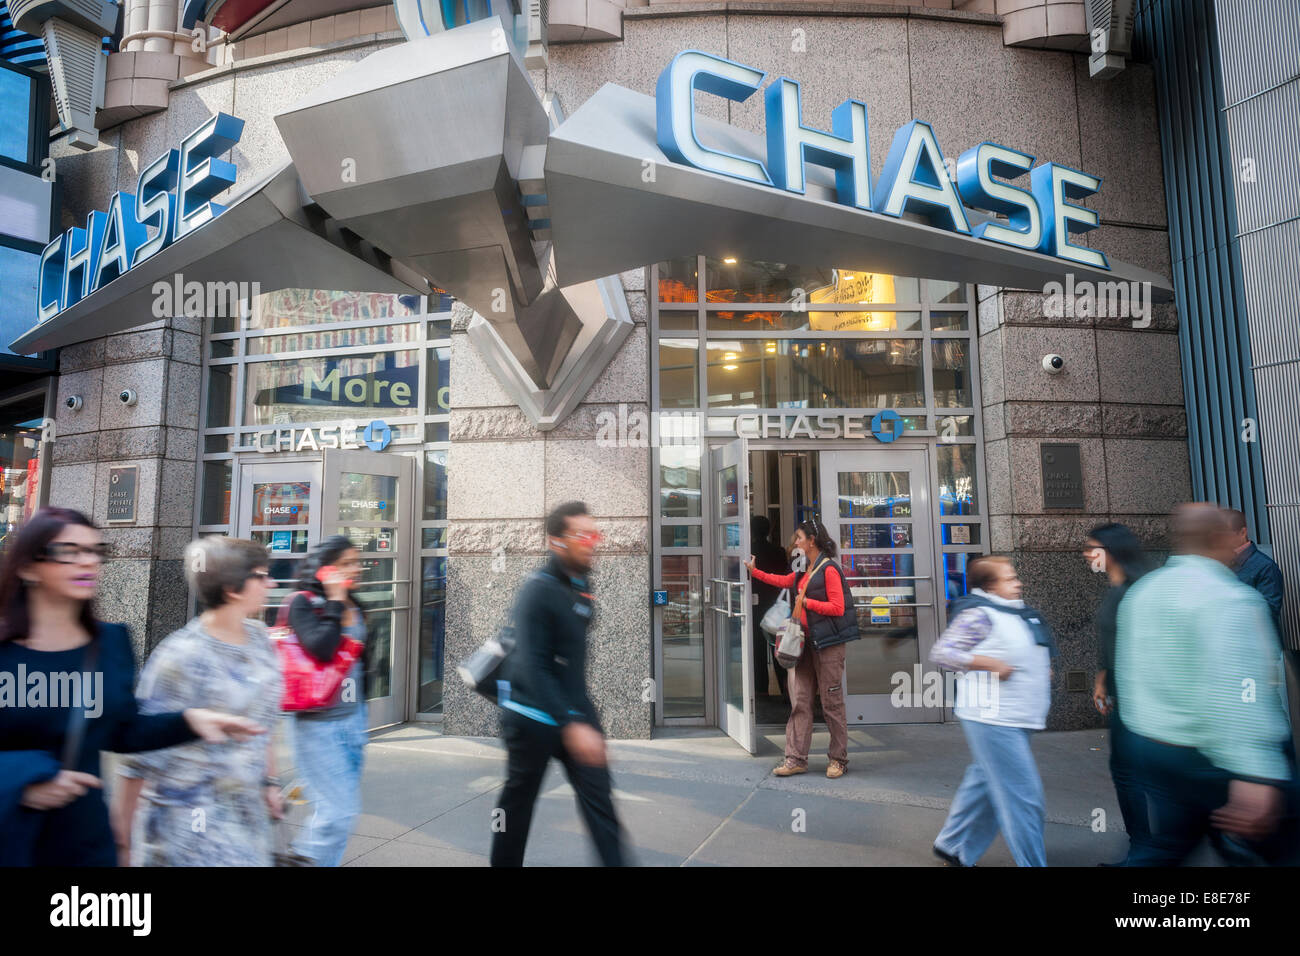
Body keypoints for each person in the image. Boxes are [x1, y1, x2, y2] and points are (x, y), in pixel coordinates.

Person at [0, 508, 262, 866]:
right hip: (11, 834)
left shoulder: (111, 643)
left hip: (83, 841)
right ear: (29, 566)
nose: (88, 562)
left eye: (95, 551)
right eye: (69, 551)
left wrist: (190, 721)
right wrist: (24, 780)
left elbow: (121, 731)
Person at [1116, 503, 1291, 866]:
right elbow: (1243, 691)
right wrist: (1256, 772)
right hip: (1214, 756)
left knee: (1168, 845)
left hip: (1155, 749)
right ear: (1218, 539)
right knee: (1286, 842)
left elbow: (1132, 673)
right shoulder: (1231, 599)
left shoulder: (1144, 592)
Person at [111, 537, 283, 866]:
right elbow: (137, 760)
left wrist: (270, 782)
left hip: (247, 818)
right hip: (190, 831)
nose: (271, 583)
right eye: (262, 575)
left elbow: (265, 722)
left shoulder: (261, 639)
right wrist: (122, 846)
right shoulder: (182, 656)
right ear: (233, 588)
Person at [490, 501, 626, 866]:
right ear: (556, 541)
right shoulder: (537, 590)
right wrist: (571, 725)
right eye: (582, 535)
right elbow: (535, 666)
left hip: (574, 709)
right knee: (515, 810)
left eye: (594, 533)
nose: (591, 542)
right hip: (530, 717)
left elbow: (569, 660)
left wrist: (582, 718)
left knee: (602, 807)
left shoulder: (581, 583)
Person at [930, 555, 1056, 867]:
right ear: (990, 586)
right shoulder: (980, 615)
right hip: (993, 719)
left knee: (985, 783)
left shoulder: (1015, 612)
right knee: (1024, 799)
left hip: (1015, 717)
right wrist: (990, 664)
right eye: (1009, 578)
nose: (1018, 582)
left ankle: (953, 847)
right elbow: (944, 653)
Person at [745, 516, 860, 779]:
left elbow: (838, 607)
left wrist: (808, 604)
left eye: (799, 537)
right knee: (800, 702)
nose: (795, 542)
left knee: (831, 704)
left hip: (828, 646)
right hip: (804, 645)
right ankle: (796, 758)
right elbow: (783, 581)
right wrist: (754, 573)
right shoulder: (806, 570)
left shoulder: (829, 570)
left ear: (811, 541)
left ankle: (838, 760)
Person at [285, 535, 372, 867]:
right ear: (326, 569)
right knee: (338, 813)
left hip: (353, 719)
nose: (357, 568)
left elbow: (359, 660)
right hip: (317, 725)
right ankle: (302, 859)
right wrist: (335, 602)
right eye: (348, 562)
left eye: (357, 561)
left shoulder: (353, 602)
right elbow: (320, 647)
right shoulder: (303, 603)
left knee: (339, 813)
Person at [1085, 523, 1151, 864]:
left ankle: (1144, 851)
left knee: (1131, 774)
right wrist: (1101, 680)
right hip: (1122, 696)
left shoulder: (1136, 590)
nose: (1087, 554)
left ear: (1112, 551)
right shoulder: (1115, 588)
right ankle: (1142, 848)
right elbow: (1109, 641)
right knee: (1127, 773)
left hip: (1139, 699)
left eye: (1093, 548)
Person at [749, 515, 790, 705]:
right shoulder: (779, 551)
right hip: (776, 608)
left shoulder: (749, 552)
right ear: (769, 531)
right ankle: (785, 690)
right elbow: (784, 576)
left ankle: (761, 692)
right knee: (778, 648)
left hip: (754, 606)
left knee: (757, 650)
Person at [1225, 508, 1285, 630]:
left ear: (1243, 532)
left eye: (1226, 534)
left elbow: (1268, 615)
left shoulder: (1266, 566)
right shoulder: (1221, 562)